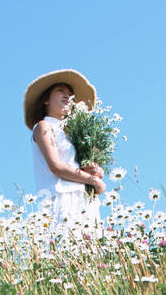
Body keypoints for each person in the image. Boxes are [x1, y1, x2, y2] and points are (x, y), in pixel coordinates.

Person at [23, 69, 105, 242]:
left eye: (70, 94)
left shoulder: (75, 136)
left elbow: (82, 166)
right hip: (61, 197)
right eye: (60, 91)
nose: (67, 97)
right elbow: (56, 166)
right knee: (67, 248)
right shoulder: (44, 127)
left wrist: (96, 171)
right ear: (46, 99)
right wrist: (93, 180)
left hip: (82, 198)